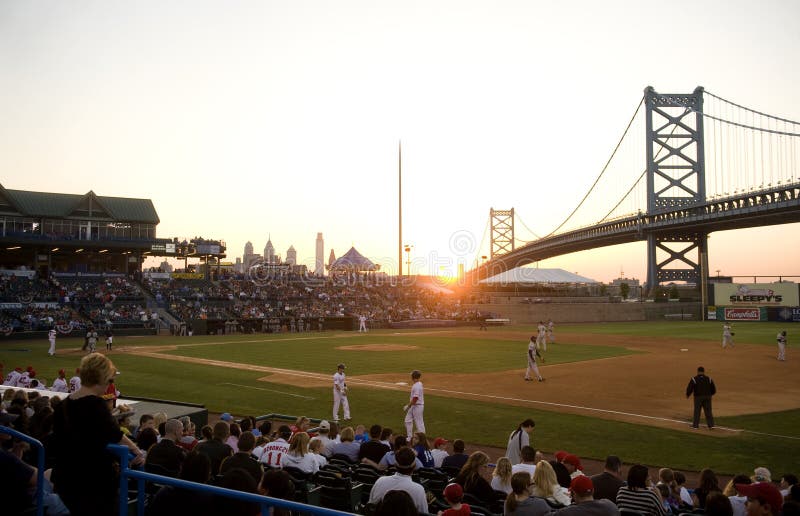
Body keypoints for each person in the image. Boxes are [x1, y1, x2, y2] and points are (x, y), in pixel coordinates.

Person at [50, 352, 145, 516]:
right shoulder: (95, 404)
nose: (109, 384)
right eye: (109, 380)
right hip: (92, 482)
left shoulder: (63, 405)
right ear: (100, 378)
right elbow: (115, 434)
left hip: (66, 479)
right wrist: (136, 450)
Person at [368, 447, 429, 513]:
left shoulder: (380, 481)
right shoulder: (419, 490)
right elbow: (424, 513)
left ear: (395, 465)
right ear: (414, 467)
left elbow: (370, 506)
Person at [404, 369, 425, 438]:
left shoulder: (417, 386)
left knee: (419, 423)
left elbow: (415, 399)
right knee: (407, 420)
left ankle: (422, 438)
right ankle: (409, 437)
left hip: (417, 406)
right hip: (414, 406)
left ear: (413, 377)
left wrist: (408, 406)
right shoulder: (419, 383)